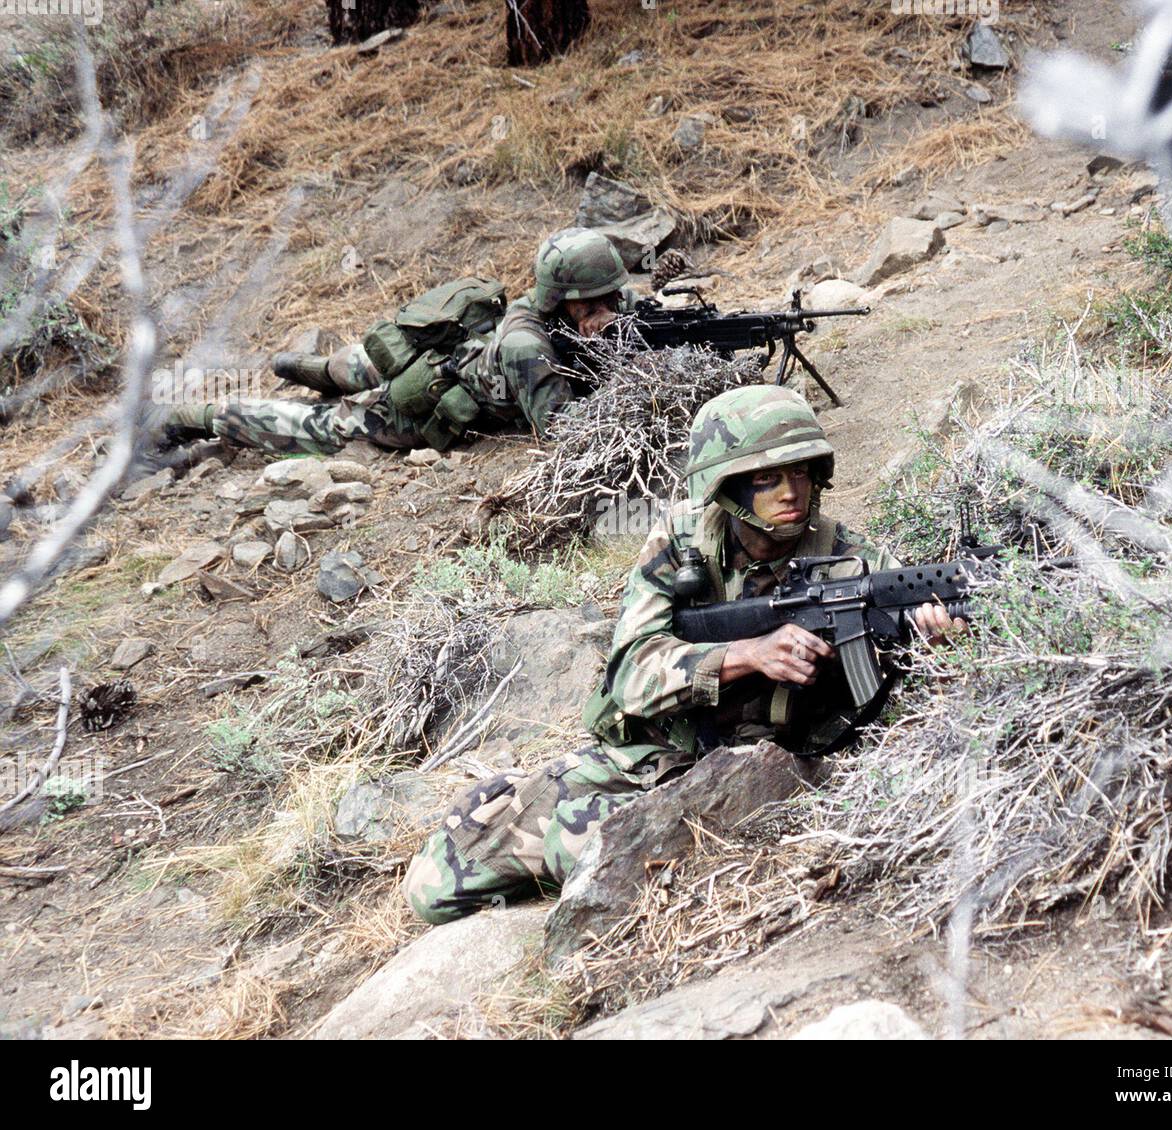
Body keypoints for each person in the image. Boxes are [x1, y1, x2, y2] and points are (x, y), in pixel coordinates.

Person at [403, 385, 965, 926]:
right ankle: (524, 818)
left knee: (681, 871)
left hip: (769, 772)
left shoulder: (851, 564)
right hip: (658, 752)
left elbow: (893, 699)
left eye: (800, 473)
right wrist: (748, 655)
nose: (790, 492)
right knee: (433, 888)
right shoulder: (682, 543)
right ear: (726, 487)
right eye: (767, 478)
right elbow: (630, 674)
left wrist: (924, 640)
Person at [149, 228, 635, 455]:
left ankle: (320, 370)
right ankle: (197, 417)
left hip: (462, 351)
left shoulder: (593, 303)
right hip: (432, 400)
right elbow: (567, 434)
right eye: (591, 306)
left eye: (609, 298)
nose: (607, 313)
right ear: (560, 298)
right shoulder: (527, 346)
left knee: (356, 366)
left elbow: (633, 314)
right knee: (320, 425)